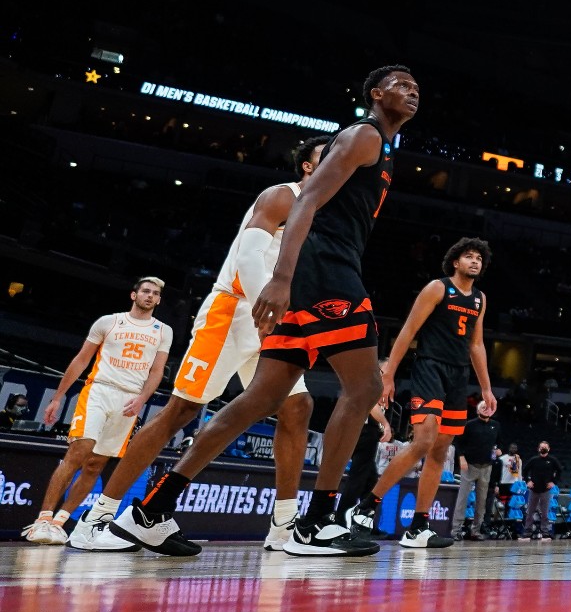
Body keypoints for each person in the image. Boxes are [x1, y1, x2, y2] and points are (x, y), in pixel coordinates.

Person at [113, 66, 418, 558]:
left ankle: (151, 509)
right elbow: (307, 203)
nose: (412, 93)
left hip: (318, 271)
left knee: (258, 399)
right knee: (363, 388)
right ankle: (315, 523)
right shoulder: (362, 136)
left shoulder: (381, 149)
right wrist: (281, 278)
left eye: (416, 88)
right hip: (328, 271)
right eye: (402, 85)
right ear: (377, 95)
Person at [75, 139, 332, 554]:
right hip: (234, 311)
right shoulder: (284, 195)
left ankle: (284, 526)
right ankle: (98, 517)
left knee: (297, 407)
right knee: (182, 409)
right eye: (327, 154)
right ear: (306, 165)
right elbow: (248, 260)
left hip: (273, 319)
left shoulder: (327, 214)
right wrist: (268, 318)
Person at [345, 237, 497, 549]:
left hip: (458, 376)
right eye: (469, 256)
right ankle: (365, 508)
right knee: (424, 441)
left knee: (441, 451)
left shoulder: (480, 299)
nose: (475, 262)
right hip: (430, 368)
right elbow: (408, 331)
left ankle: (418, 526)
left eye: (479, 258)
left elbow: (476, 345)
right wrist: (388, 375)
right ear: (455, 262)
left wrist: (486, 388)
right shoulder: (438, 288)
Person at [24, 277, 173, 546]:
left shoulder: (163, 330)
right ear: (134, 295)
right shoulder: (108, 321)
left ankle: (59, 523)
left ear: (159, 300)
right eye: (146, 291)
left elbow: (157, 371)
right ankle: (42, 520)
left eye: (155, 293)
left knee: (95, 464)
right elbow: (82, 359)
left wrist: (142, 399)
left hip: (129, 399)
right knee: (80, 450)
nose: (150, 296)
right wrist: (58, 398)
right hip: (99, 390)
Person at [454, 412, 499, 539]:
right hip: (469, 465)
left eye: (487, 407)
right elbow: (458, 442)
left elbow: (500, 442)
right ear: (478, 410)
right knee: (463, 498)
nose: (485, 409)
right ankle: (456, 530)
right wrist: (461, 458)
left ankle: (476, 530)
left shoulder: (496, 425)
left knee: (481, 501)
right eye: (482, 406)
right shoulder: (470, 424)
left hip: (486, 466)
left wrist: (499, 449)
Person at [523, 441, 561, 540]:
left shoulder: (552, 460)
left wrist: (554, 482)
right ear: (538, 449)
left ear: (548, 449)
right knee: (530, 512)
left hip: (545, 490)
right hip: (534, 489)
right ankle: (527, 531)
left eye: (545, 447)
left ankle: (545, 531)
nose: (543, 448)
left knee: (545, 513)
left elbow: (560, 470)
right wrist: (528, 481)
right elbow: (525, 470)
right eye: (541, 447)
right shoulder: (534, 460)